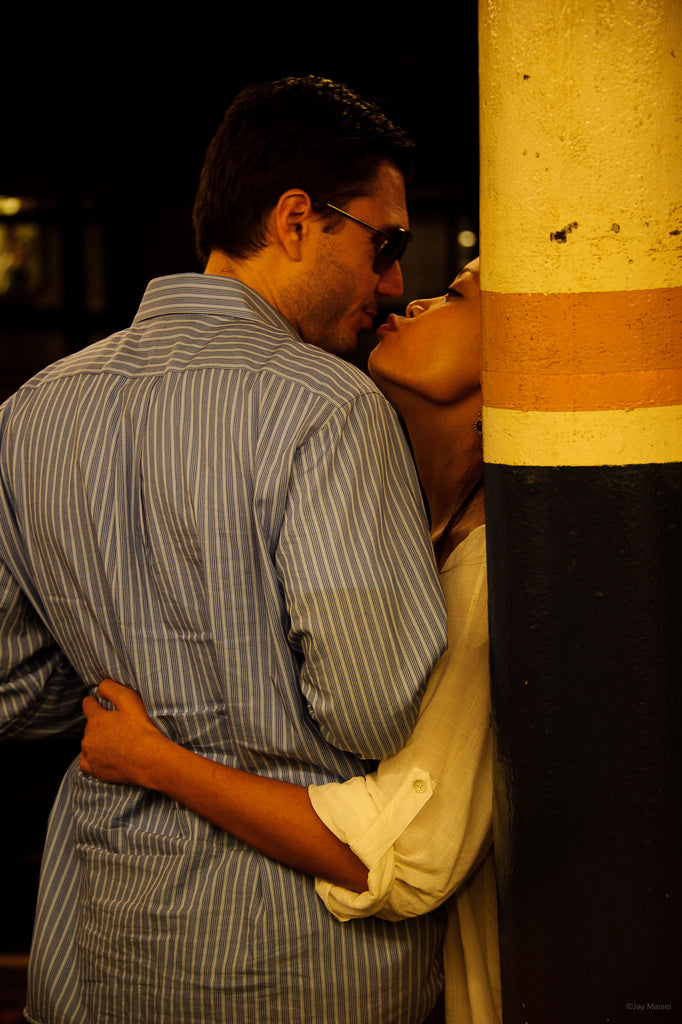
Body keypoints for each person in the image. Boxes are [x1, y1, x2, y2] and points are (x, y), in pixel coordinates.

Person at [0, 77, 449, 1024]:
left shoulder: (34, 409)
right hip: (297, 954)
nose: (395, 283)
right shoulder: (327, 407)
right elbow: (372, 710)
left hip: (93, 939)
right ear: (296, 220)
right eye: (388, 244)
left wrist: (138, 694)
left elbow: (14, 688)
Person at [80, 259, 503, 1024]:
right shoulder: (414, 520)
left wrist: (153, 760)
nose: (412, 297)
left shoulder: (489, 563)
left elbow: (408, 858)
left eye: (456, 297)